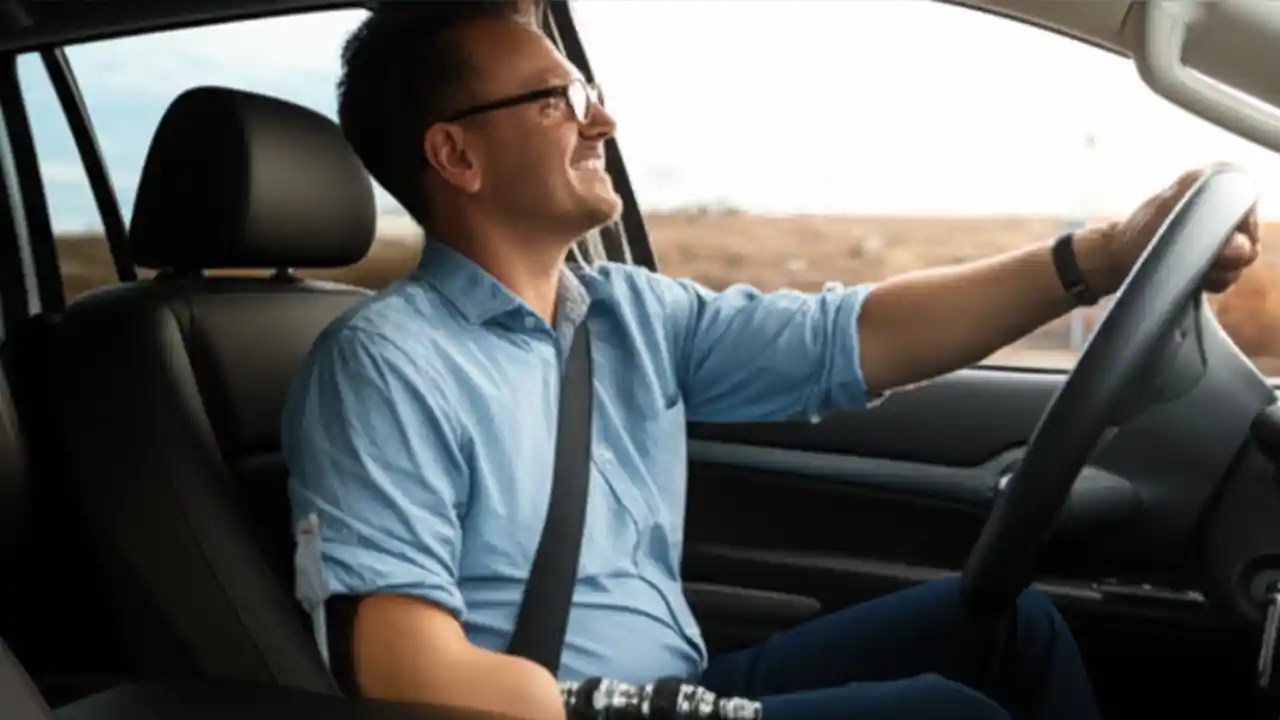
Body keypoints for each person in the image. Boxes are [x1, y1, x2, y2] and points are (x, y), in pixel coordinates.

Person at [280, 2, 1262, 719]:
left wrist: (1093, 259)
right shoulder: (383, 367)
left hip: (682, 686)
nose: (600, 121)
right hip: (577, 715)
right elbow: (405, 671)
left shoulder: (624, 314)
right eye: (558, 99)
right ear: (456, 157)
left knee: (1005, 623)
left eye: (588, 92)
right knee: (944, 716)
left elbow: (854, 336)